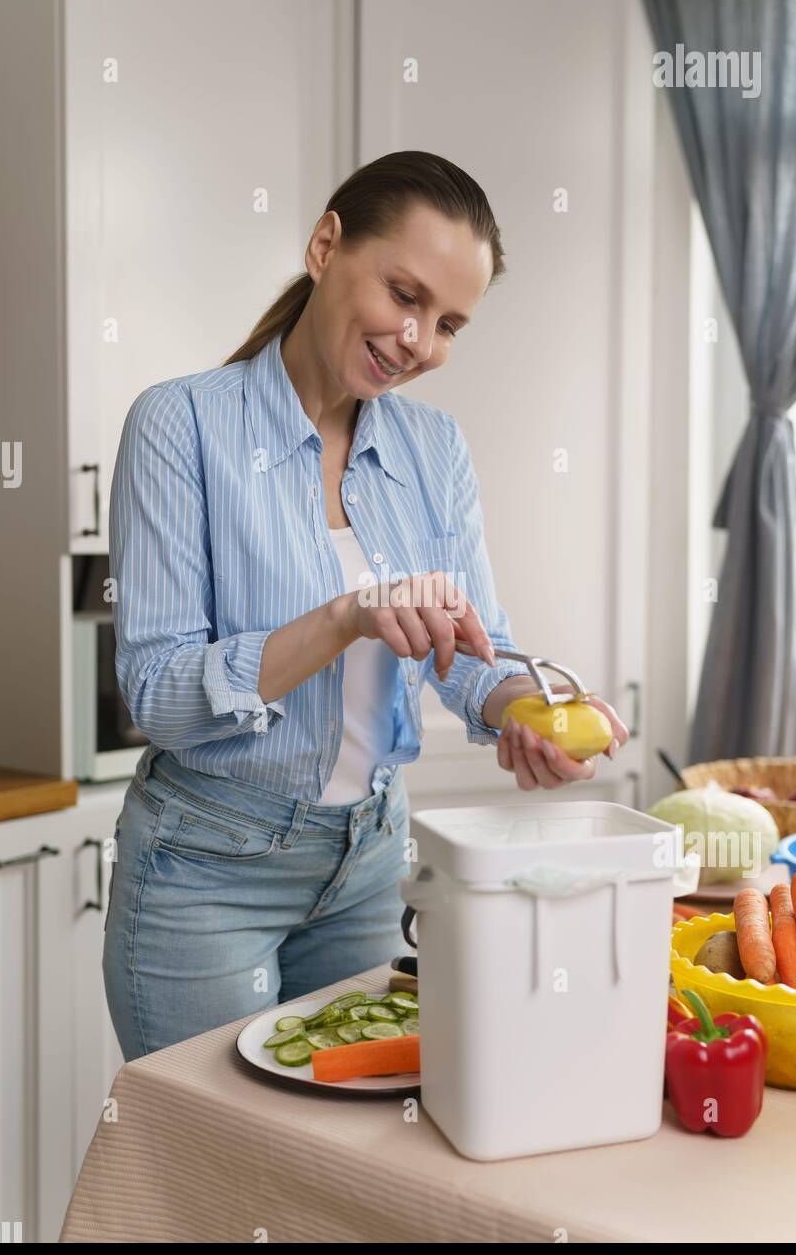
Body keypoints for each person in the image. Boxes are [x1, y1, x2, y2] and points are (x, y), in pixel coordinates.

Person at [102, 150, 629, 1060]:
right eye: (405, 294)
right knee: (224, 1172)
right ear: (324, 246)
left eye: (449, 322)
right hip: (203, 872)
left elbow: (475, 650)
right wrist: (349, 615)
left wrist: (525, 710)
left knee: (359, 1159)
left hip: (369, 862)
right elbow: (157, 696)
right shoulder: (179, 424)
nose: (419, 340)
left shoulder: (434, 447)